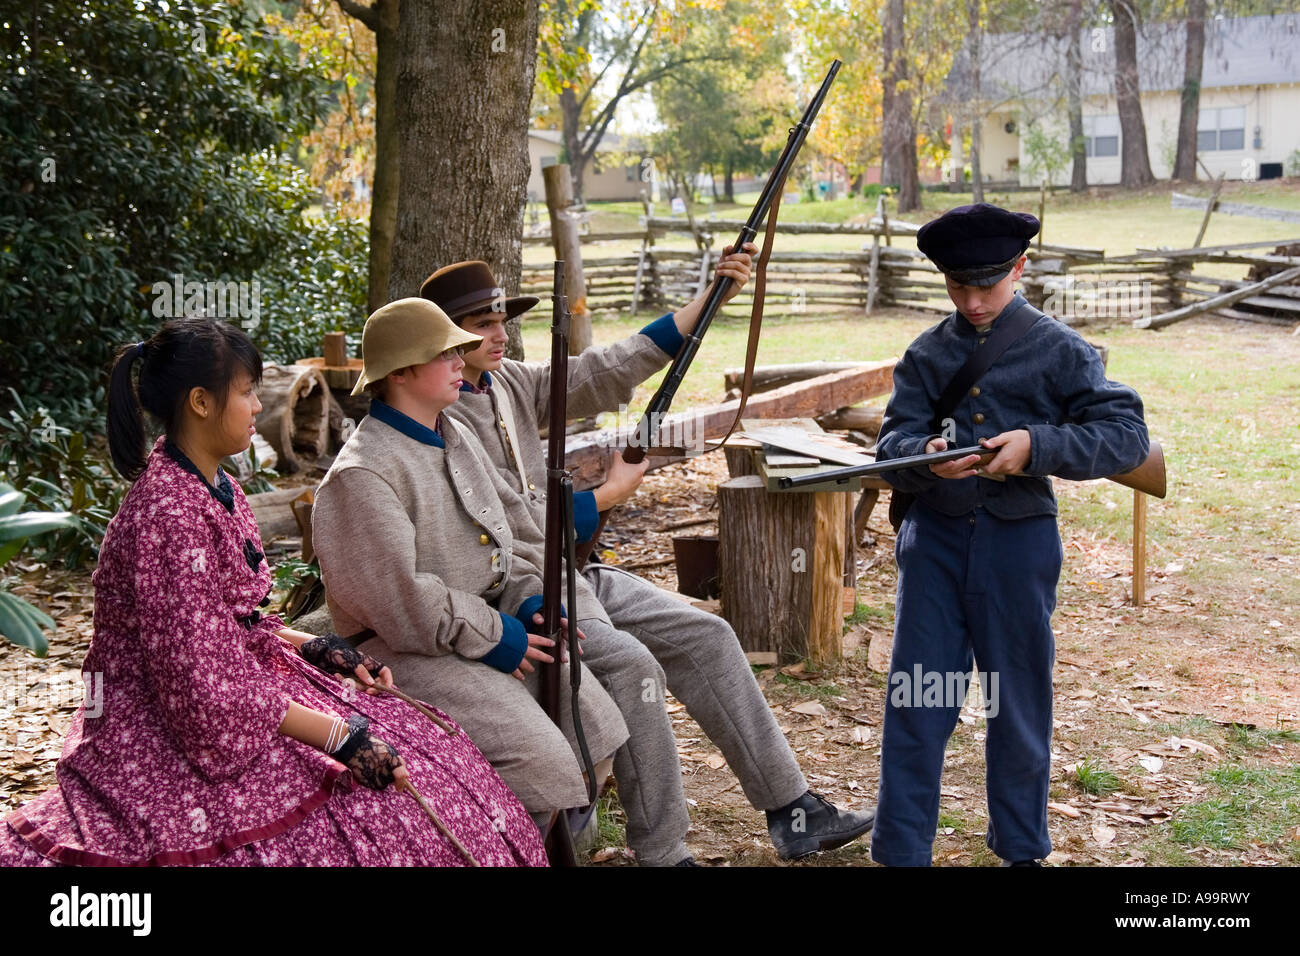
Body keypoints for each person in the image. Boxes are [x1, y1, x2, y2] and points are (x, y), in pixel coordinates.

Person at [0, 317, 545, 867]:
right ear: (200, 402)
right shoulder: (167, 516)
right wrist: (340, 739)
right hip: (170, 722)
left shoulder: (214, 483)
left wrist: (311, 645)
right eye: (246, 392)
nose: (259, 406)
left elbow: (229, 622)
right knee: (360, 810)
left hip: (239, 684)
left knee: (423, 750)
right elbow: (202, 686)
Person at [424, 256, 877, 865]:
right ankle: (664, 852)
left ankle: (794, 811)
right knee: (631, 668)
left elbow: (600, 370)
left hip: (567, 570)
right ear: (447, 337)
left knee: (708, 634)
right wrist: (606, 497)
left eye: (502, 318)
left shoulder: (503, 383)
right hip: (519, 592)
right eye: (483, 324)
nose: (501, 334)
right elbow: (506, 526)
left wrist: (707, 299)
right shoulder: (445, 413)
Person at [869, 202, 1151, 867]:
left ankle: (1022, 847)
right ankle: (902, 848)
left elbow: (1128, 436)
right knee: (918, 697)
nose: (971, 300)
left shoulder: (1061, 350)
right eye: (957, 286)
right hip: (934, 543)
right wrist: (924, 456)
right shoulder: (926, 354)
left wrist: (1036, 444)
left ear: (1020, 269)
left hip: (1017, 545)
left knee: (1017, 697)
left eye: (986, 285)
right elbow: (891, 443)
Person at [310, 298, 629, 836]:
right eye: (445, 354)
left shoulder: (455, 437)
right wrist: (499, 633)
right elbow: (405, 606)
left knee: (598, 733)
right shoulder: (361, 475)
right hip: (404, 651)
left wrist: (529, 600)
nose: (462, 362)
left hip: (486, 626)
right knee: (540, 761)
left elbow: (514, 537)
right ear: (403, 372)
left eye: (461, 350)